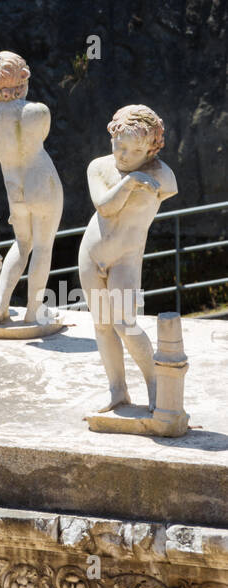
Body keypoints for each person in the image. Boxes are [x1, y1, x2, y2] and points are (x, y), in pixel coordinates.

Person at [78, 105, 177, 412]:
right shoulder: (99, 167)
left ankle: (155, 385)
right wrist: (130, 180)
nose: (123, 154)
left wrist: (138, 176)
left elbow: (163, 190)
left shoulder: (163, 176)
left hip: (126, 259)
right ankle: (117, 390)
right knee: (102, 325)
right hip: (91, 254)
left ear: (151, 149)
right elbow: (105, 207)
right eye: (119, 145)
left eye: (134, 150)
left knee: (125, 323)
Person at [0, 51, 63, 327]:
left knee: (22, 244)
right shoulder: (38, 113)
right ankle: (34, 311)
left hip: (14, 188)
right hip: (42, 182)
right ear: (22, 81)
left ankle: (0, 306)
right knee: (43, 247)